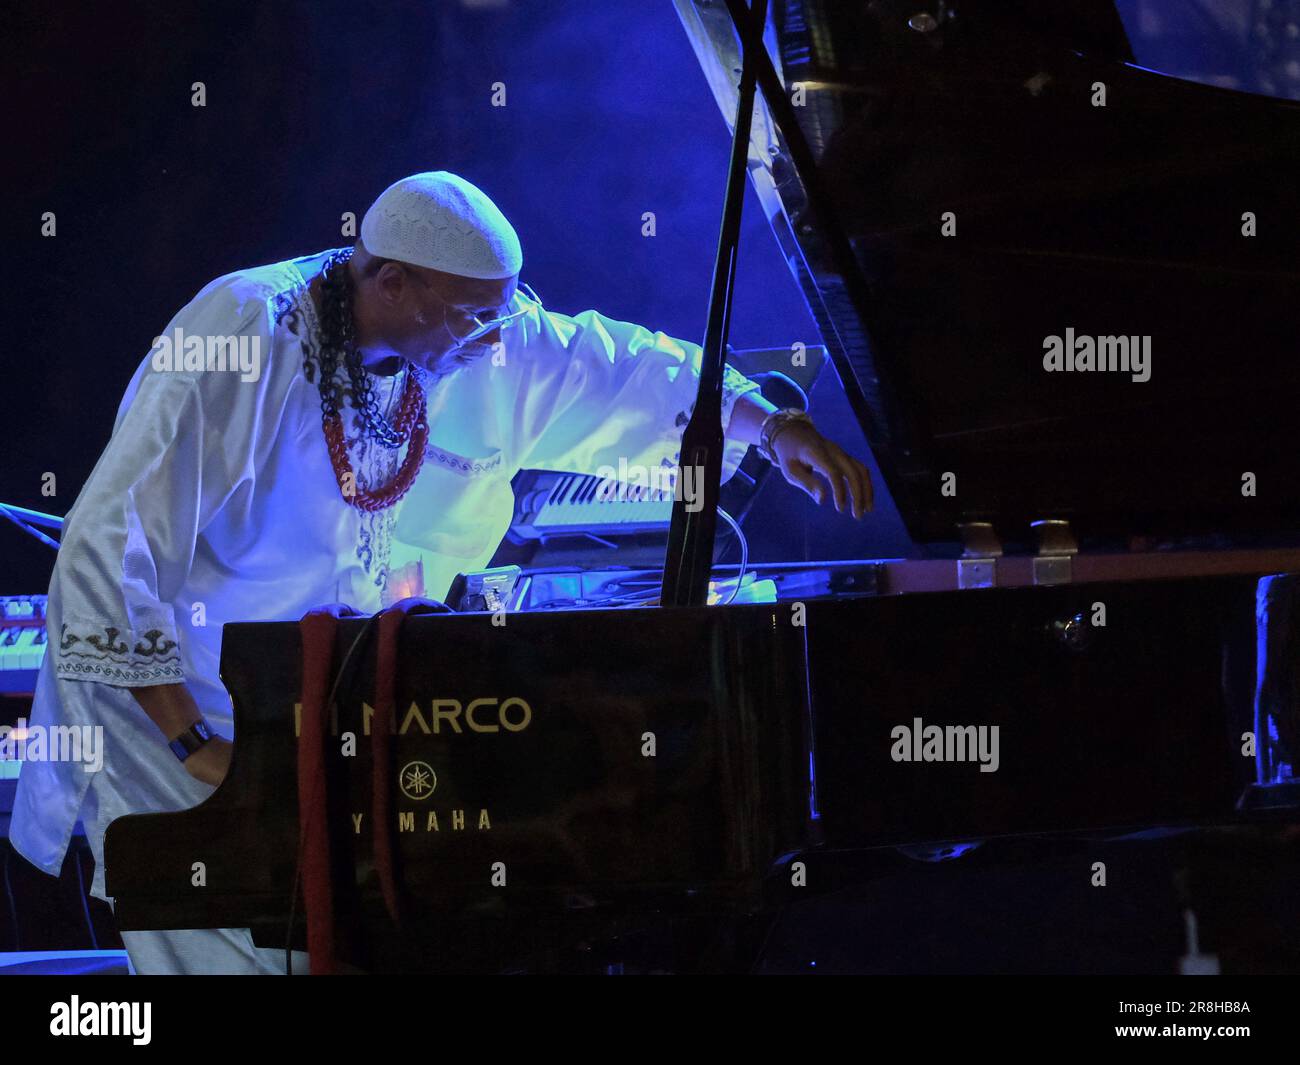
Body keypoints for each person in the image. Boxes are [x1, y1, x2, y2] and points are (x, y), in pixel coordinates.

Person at [10, 171, 873, 974]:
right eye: (471, 318)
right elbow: (106, 544)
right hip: (178, 700)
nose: (492, 339)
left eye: (500, 316)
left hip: (310, 702)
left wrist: (770, 425)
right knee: (236, 951)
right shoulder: (245, 333)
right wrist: (198, 745)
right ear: (389, 281)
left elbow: (613, 363)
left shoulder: (474, 336)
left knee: (330, 945)